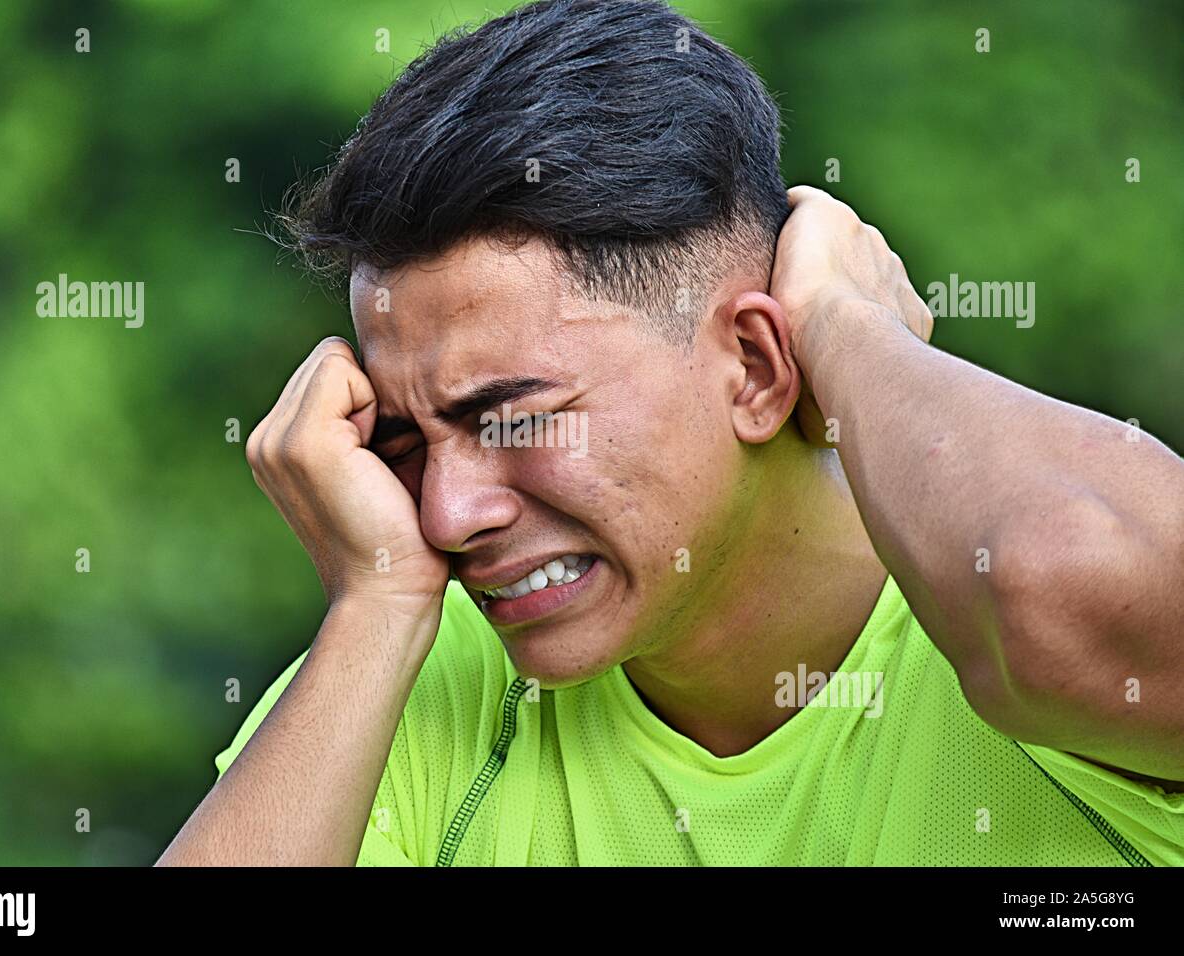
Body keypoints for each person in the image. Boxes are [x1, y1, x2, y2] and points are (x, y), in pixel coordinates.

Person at [158, 0, 1184, 866]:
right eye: (405, 439)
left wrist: (844, 328)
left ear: (754, 367)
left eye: (512, 415)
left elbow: (1057, 587)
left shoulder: (1010, 618)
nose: (446, 512)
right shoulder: (417, 668)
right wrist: (374, 602)